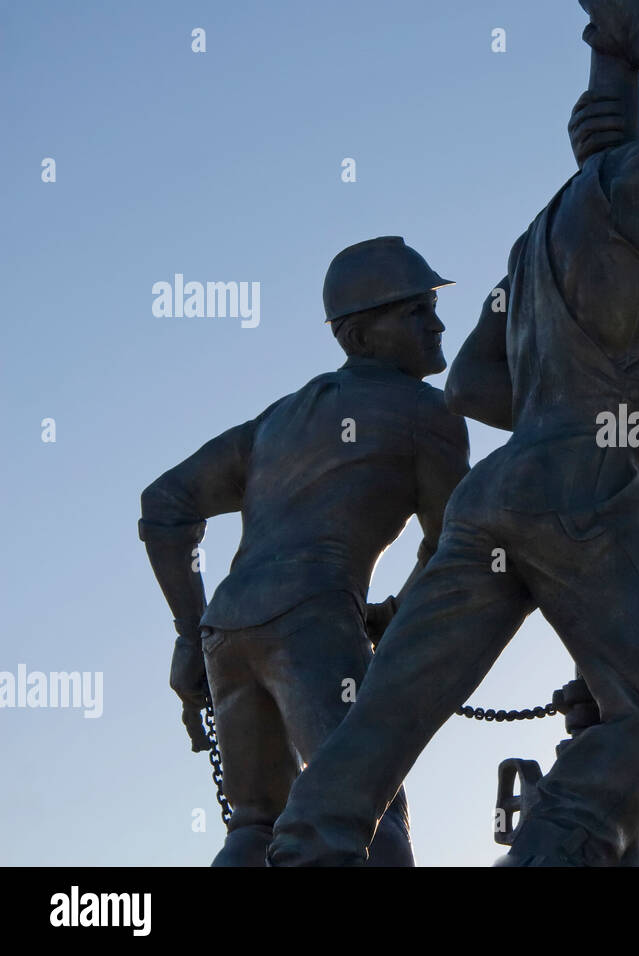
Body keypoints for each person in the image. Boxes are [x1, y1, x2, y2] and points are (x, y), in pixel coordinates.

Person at [266, 0, 639, 866]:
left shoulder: (541, 238)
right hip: (582, 492)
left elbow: (473, 384)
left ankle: (310, 847)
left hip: (500, 491)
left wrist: (613, 58)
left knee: (393, 709)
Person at [139, 236, 469, 866]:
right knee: (365, 807)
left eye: (431, 305)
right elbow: (456, 544)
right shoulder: (431, 415)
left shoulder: (280, 420)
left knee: (255, 826)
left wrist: (190, 636)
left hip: (227, 629)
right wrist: (394, 613)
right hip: (314, 617)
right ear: (360, 336)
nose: (438, 323)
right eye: (416, 311)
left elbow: (164, 505)